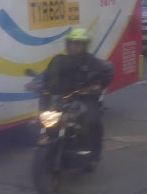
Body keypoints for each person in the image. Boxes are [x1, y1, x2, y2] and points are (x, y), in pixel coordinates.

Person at [40, 28, 114, 160]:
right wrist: (36, 83)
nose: (73, 47)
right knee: (45, 118)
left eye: (78, 44)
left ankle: (94, 152)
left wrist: (97, 86)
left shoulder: (92, 62)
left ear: (84, 46)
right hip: (61, 98)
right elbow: (48, 75)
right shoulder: (59, 60)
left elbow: (106, 73)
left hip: (85, 97)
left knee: (92, 120)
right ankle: (49, 142)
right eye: (71, 43)